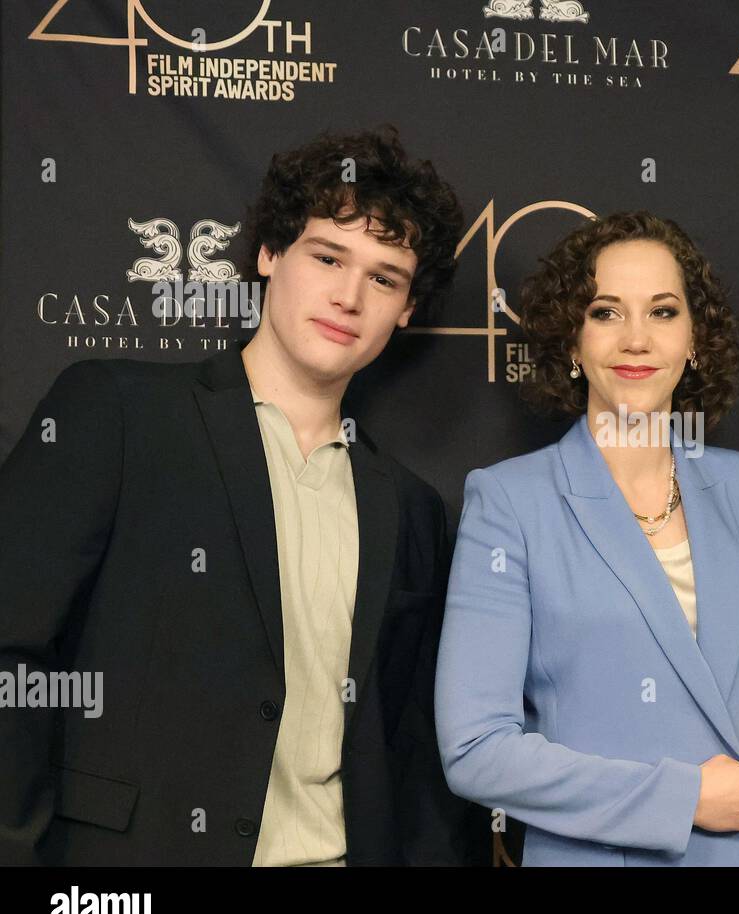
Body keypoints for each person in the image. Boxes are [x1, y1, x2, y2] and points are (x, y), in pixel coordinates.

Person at [0, 125, 478, 865]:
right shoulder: (118, 412)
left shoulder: (409, 509)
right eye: (328, 257)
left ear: (408, 308)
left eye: (384, 278)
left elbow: (412, 751)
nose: (349, 296)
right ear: (269, 253)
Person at [435, 210, 739, 866]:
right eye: (607, 312)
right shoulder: (511, 502)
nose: (637, 340)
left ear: (696, 340)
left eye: (664, 312)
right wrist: (680, 799)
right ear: (571, 342)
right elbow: (476, 751)